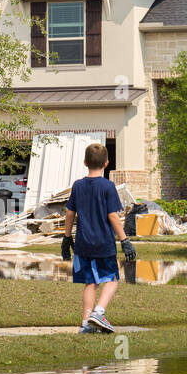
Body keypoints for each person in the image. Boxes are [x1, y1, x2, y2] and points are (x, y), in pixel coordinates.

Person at [61, 143, 136, 333]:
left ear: (85, 162)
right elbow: (112, 216)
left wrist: (66, 238)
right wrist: (124, 240)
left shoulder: (78, 186)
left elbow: (70, 213)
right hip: (103, 243)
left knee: (90, 283)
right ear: (106, 163)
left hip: (83, 244)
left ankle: (86, 323)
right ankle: (99, 312)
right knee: (112, 279)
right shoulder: (108, 187)